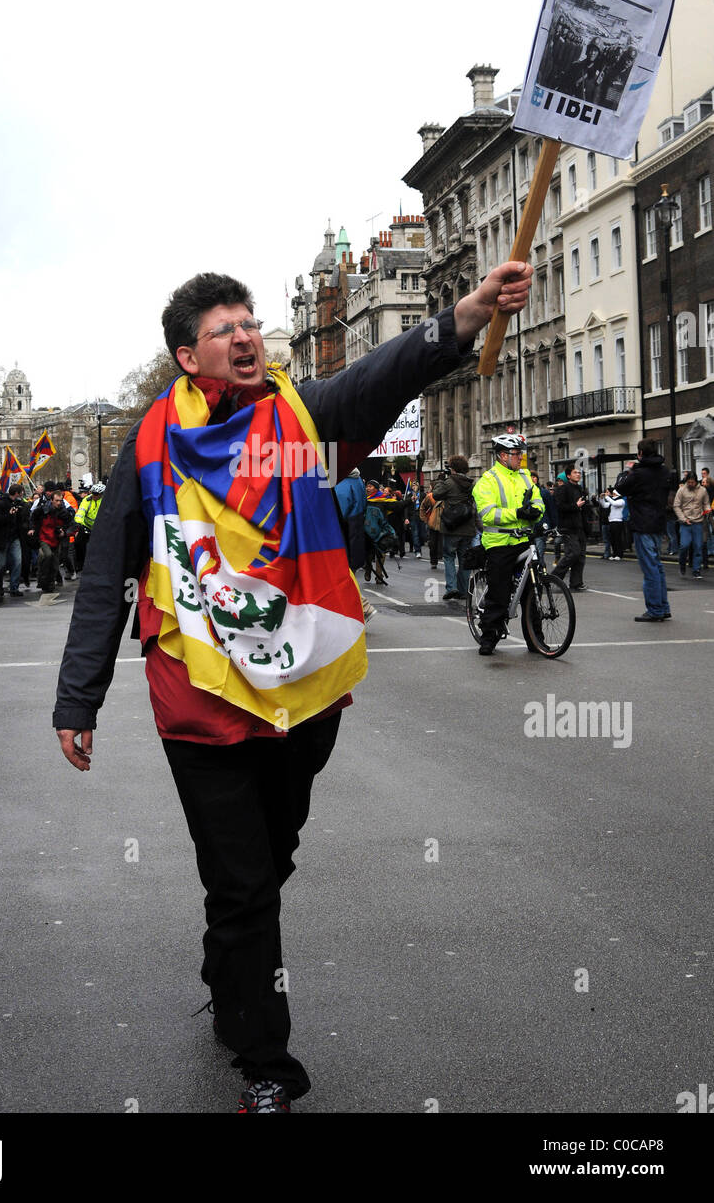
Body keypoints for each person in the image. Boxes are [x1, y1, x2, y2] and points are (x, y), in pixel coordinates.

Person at [52, 261, 532, 1112]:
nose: (245, 336)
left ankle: (227, 960)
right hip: (197, 697)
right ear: (185, 358)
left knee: (270, 861)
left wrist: (463, 315)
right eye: (224, 329)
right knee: (243, 884)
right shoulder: (150, 445)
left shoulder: (302, 418)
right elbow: (105, 572)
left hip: (300, 689)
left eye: (250, 321)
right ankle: (267, 1067)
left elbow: (381, 373)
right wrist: (76, 699)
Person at [471, 434, 543, 655]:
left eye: (521, 454)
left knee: (533, 590)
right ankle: (489, 636)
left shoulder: (524, 477)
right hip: (499, 542)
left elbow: (538, 500)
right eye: (516, 454)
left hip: (523, 540)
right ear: (502, 456)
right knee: (499, 592)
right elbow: (487, 513)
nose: (520, 458)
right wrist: (517, 513)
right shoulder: (488, 480)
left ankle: (535, 639)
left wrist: (536, 512)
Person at [615, 440, 672, 622]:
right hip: (658, 522)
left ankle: (654, 609)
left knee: (650, 568)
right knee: (658, 566)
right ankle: (663, 607)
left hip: (642, 523)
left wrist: (628, 471)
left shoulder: (638, 473)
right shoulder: (664, 471)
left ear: (640, 453)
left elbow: (620, 487)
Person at [430, 454, 476, 600]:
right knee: (464, 559)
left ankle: (452, 587)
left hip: (452, 525)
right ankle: (463, 591)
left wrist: (440, 481)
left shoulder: (449, 482)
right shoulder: (471, 483)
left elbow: (436, 495)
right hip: (468, 526)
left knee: (449, 556)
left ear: (453, 468)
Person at [334, 470, 373, 622]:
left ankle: (362, 608)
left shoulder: (339, 482)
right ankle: (360, 609)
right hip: (355, 536)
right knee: (346, 576)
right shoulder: (358, 482)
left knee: (340, 578)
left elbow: (337, 512)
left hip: (342, 537)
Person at [0, 484, 27, 598]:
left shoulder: (19, 504)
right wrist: (9, 515)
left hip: (14, 537)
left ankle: (14, 587)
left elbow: (22, 519)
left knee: (18, 562)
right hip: (2, 539)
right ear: (17, 493)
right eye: (21, 493)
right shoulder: (0, 504)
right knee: (1, 565)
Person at [30, 488, 73, 594]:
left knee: (55, 563)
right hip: (44, 538)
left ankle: (50, 584)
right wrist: (32, 528)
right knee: (47, 555)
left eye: (60, 500)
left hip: (56, 539)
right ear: (52, 500)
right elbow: (33, 517)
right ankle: (42, 579)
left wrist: (65, 532)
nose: (59, 503)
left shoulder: (63, 512)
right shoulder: (43, 509)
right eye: (57, 500)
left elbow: (71, 524)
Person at [552, 466, 588, 592]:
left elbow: (583, 509)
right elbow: (560, 507)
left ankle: (576, 583)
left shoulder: (580, 489)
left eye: (579, 472)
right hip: (568, 527)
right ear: (568, 475)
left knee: (581, 556)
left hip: (580, 527)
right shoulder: (563, 489)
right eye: (575, 472)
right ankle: (555, 577)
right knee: (573, 553)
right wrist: (575, 506)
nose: (578, 474)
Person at [674, 472, 709, 580]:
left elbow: (706, 503)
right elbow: (676, 506)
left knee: (698, 547)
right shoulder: (681, 490)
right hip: (685, 523)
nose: (690, 484)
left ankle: (696, 570)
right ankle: (682, 564)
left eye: (692, 482)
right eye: (688, 482)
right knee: (684, 546)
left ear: (696, 481)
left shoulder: (703, 490)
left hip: (698, 522)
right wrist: (684, 519)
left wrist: (707, 510)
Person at [599, 487, 626, 561]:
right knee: (613, 539)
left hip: (618, 521)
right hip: (611, 522)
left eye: (614, 494)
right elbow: (604, 505)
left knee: (617, 539)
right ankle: (614, 554)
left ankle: (619, 554)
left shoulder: (621, 501)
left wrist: (607, 496)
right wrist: (601, 498)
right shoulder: (612, 501)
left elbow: (614, 503)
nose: (612, 495)